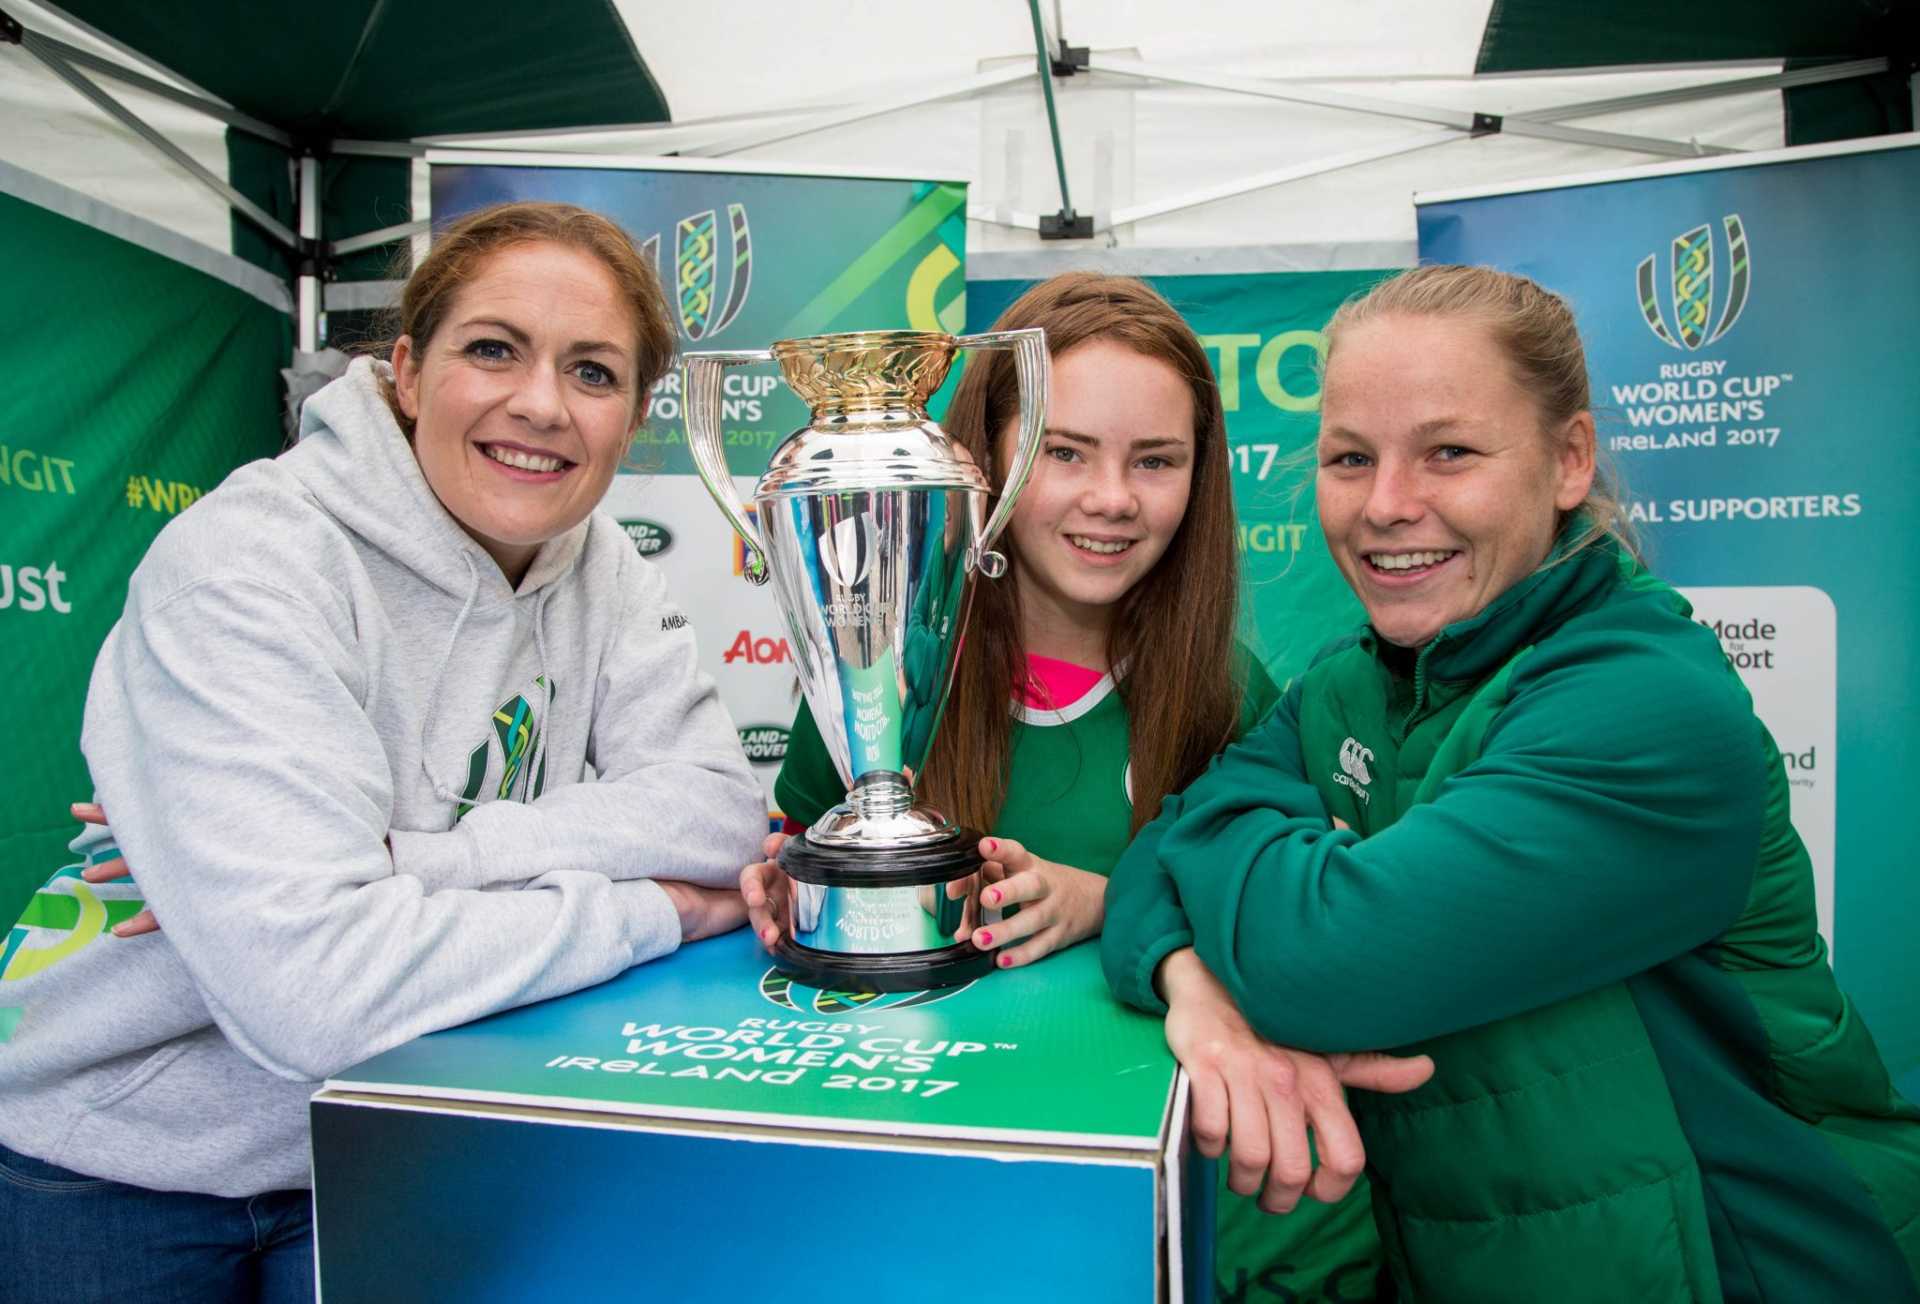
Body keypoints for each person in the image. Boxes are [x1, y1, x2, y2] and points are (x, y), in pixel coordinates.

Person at [1101, 264, 1920, 1301]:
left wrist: (1232, 863)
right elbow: (1148, 859)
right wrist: (1201, 984)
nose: (1389, 505)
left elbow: (1328, 955)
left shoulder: (1646, 703)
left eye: (1449, 452)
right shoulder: (1350, 684)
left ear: (1568, 457)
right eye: (1350, 457)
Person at [0, 201, 767, 1302]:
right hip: (120, 1158)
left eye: (592, 372)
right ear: (407, 370)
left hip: (386, 1126)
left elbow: (714, 814)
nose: (541, 403)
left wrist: (402, 858)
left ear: (634, 414)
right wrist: (660, 907)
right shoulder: (248, 561)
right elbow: (312, 991)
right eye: (493, 349)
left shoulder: (599, 561)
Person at [742, 271, 1434, 1301]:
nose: (1112, 498)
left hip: (1228, 1232)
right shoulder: (868, 676)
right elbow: (792, 858)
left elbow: (1301, 937)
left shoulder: (1230, 696)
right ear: (987, 457)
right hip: (964, 1219)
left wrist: (1103, 904)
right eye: (1064, 452)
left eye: (1155, 460)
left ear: (1202, 478)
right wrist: (786, 892)